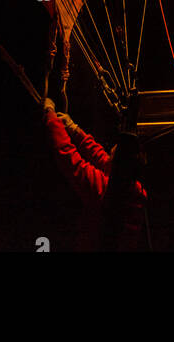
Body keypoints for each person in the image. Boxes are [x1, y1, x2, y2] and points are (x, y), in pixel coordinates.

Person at [43, 98, 146, 251]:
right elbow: (104, 160)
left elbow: (69, 157)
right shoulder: (135, 189)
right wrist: (75, 129)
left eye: (113, 151)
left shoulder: (103, 191)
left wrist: (50, 114)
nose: (110, 150)